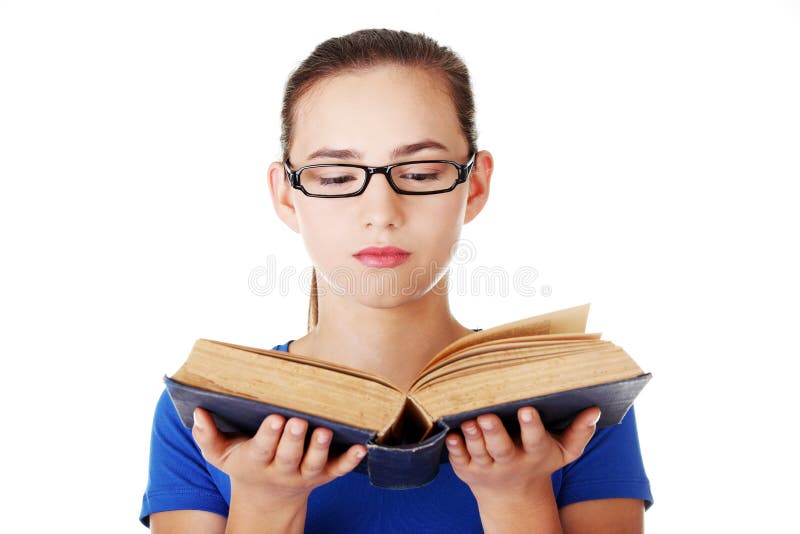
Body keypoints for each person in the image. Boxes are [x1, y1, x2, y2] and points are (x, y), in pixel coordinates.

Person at [140, 28, 653, 533]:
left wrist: (517, 499)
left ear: (475, 185)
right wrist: (266, 506)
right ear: (285, 194)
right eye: (336, 177)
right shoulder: (207, 416)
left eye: (422, 173)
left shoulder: (570, 398)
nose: (381, 213)